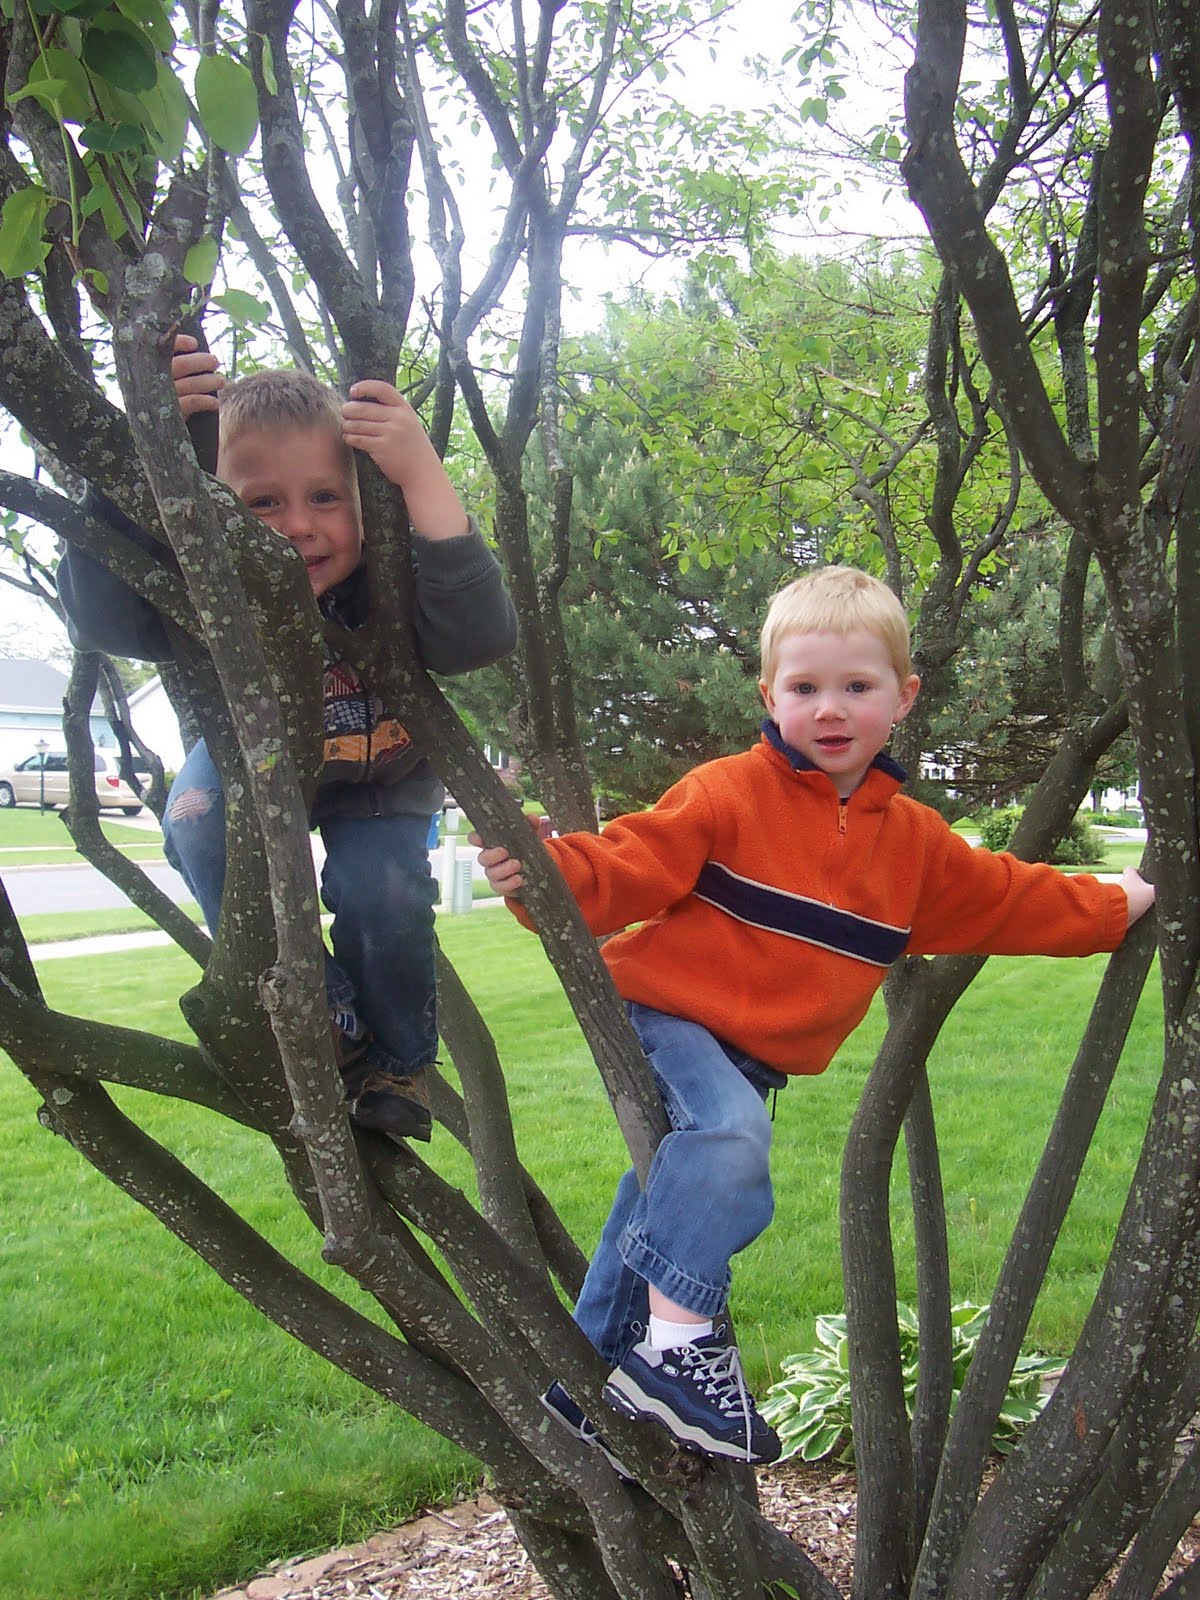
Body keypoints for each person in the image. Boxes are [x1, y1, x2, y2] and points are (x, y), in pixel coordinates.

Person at [475, 565, 1155, 1466]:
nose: (829, 709)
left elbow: (1011, 898)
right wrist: (547, 871)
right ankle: (679, 1355)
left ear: (903, 697)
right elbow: (631, 865)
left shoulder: (911, 847)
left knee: (658, 1203)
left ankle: (586, 1404)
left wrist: (1130, 899)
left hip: (753, 1056)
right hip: (665, 1014)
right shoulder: (727, 793)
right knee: (728, 1141)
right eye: (804, 688)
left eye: (856, 687)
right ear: (769, 694)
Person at [59, 336, 517, 1143]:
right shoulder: (206, 587)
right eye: (261, 504)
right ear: (209, 509)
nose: (297, 527)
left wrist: (422, 475)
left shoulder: (391, 574)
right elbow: (100, 620)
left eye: (325, 499)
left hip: (381, 776)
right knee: (197, 822)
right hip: (255, 762)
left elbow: (478, 638)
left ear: (367, 503)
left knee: (383, 896)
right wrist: (134, 453)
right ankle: (329, 1020)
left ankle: (401, 1063)